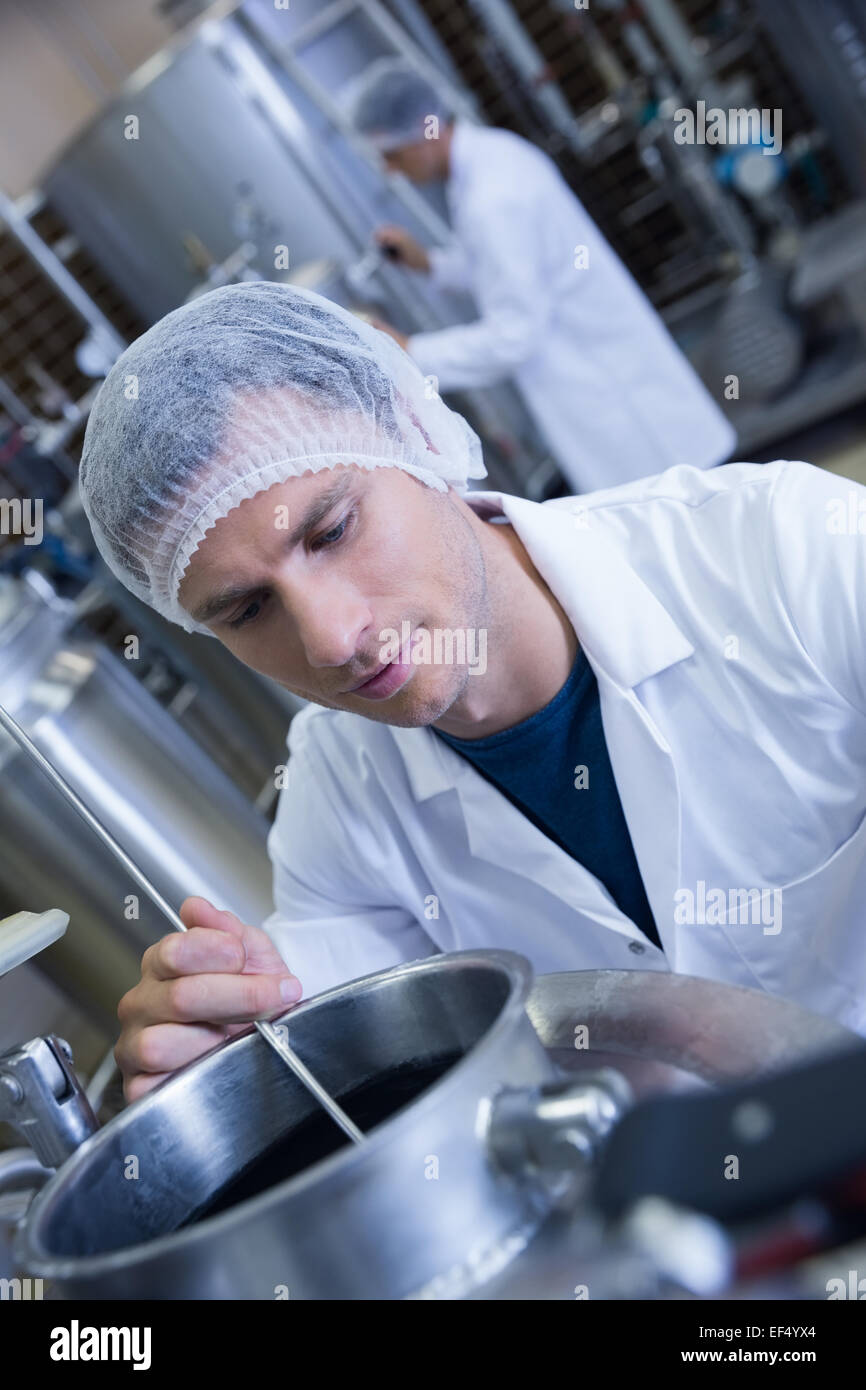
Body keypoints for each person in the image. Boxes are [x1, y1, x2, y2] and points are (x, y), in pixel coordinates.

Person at [78, 282, 866, 1102]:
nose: (332, 639)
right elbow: (324, 1049)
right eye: (248, 610)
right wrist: (224, 1054)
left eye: (334, 530)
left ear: (417, 433)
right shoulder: (339, 800)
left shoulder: (785, 550)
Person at [343, 57, 736, 494]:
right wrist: (430, 265)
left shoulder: (492, 201)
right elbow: (505, 269)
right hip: (612, 371)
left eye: (392, 155)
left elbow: (514, 336)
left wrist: (412, 352)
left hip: (615, 400)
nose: (391, 171)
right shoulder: (492, 158)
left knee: (682, 514)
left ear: (422, 134)